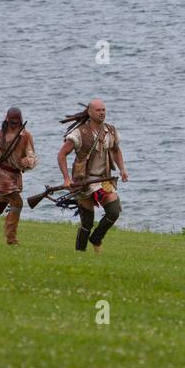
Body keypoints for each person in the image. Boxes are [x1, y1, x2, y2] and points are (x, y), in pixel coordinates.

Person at [57, 99, 129, 253]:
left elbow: (116, 150)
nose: (102, 112)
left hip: (103, 180)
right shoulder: (79, 133)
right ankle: (80, 252)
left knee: (113, 212)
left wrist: (122, 169)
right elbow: (62, 154)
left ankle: (96, 238)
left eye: (103, 110)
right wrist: (66, 179)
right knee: (87, 222)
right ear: (89, 112)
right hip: (83, 182)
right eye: (98, 110)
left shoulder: (111, 131)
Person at [0, 107, 38, 245]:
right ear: (7, 120)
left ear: (20, 121)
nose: (14, 125)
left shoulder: (26, 137)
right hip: (0, 174)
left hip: (15, 176)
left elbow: (32, 155)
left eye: (16, 122)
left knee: (0, 203)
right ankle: (11, 238)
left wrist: (28, 161)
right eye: (12, 122)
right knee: (17, 202)